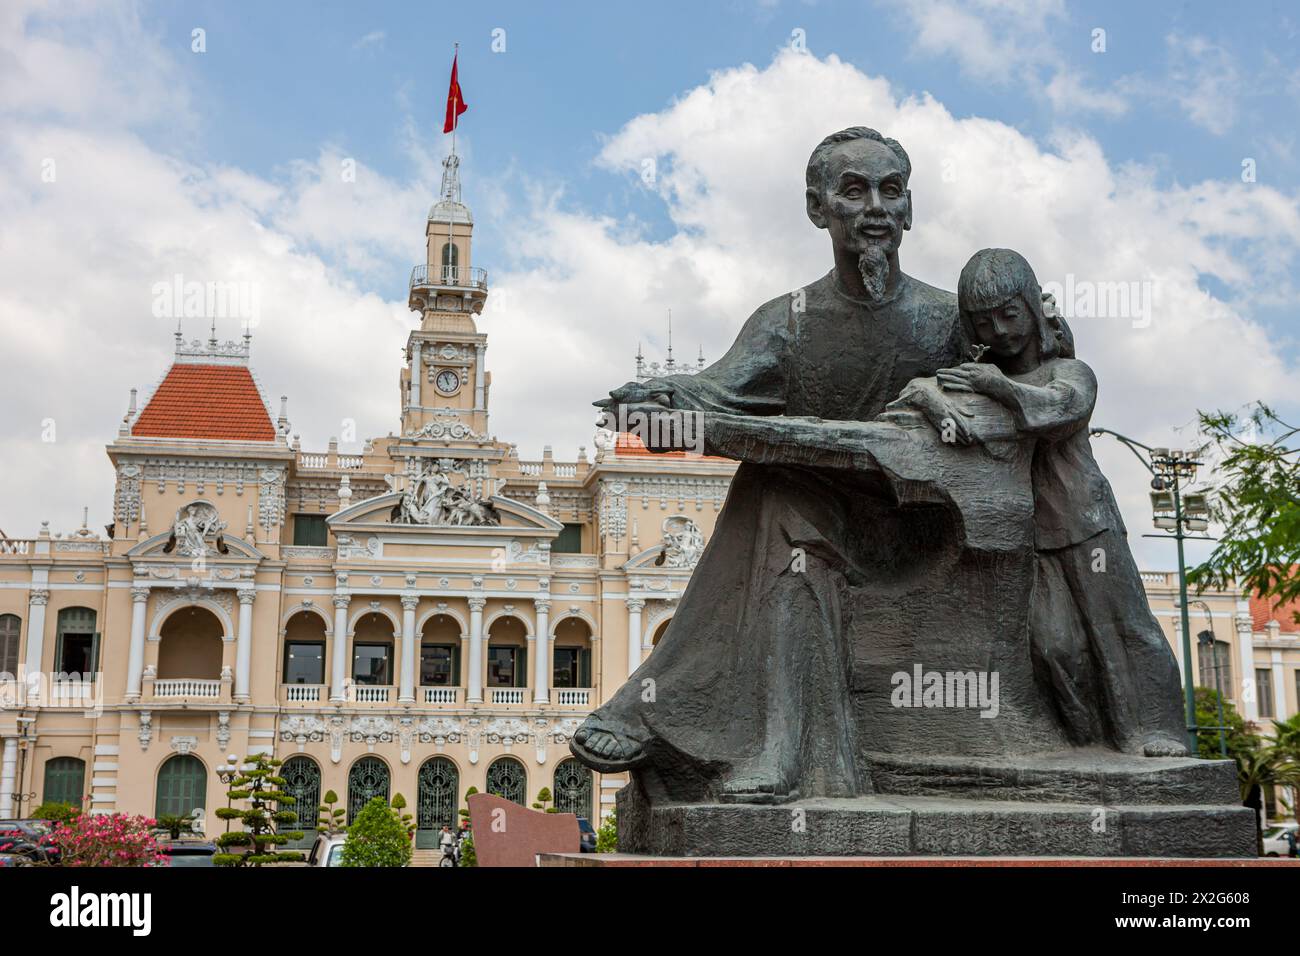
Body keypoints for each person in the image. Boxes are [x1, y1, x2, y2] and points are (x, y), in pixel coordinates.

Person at [572, 127, 969, 803]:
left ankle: (722, 729)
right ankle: (774, 745)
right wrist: (661, 400)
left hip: (925, 528)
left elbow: (1009, 405)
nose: (875, 206)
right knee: (782, 497)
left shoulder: (947, 321)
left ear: (908, 211)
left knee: (783, 498)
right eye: (854, 190)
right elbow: (714, 390)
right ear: (819, 209)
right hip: (822, 528)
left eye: (890, 190)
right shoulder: (787, 322)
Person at [934, 248, 1186, 756]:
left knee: (1124, 625)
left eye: (1009, 314)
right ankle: (1087, 740)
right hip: (1030, 532)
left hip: (1086, 521)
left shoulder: (1069, 372)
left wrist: (1000, 389)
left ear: (1031, 306)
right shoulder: (984, 382)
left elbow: (1060, 411)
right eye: (985, 322)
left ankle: (1157, 730)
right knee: (1053, 645)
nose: (1000, 331)